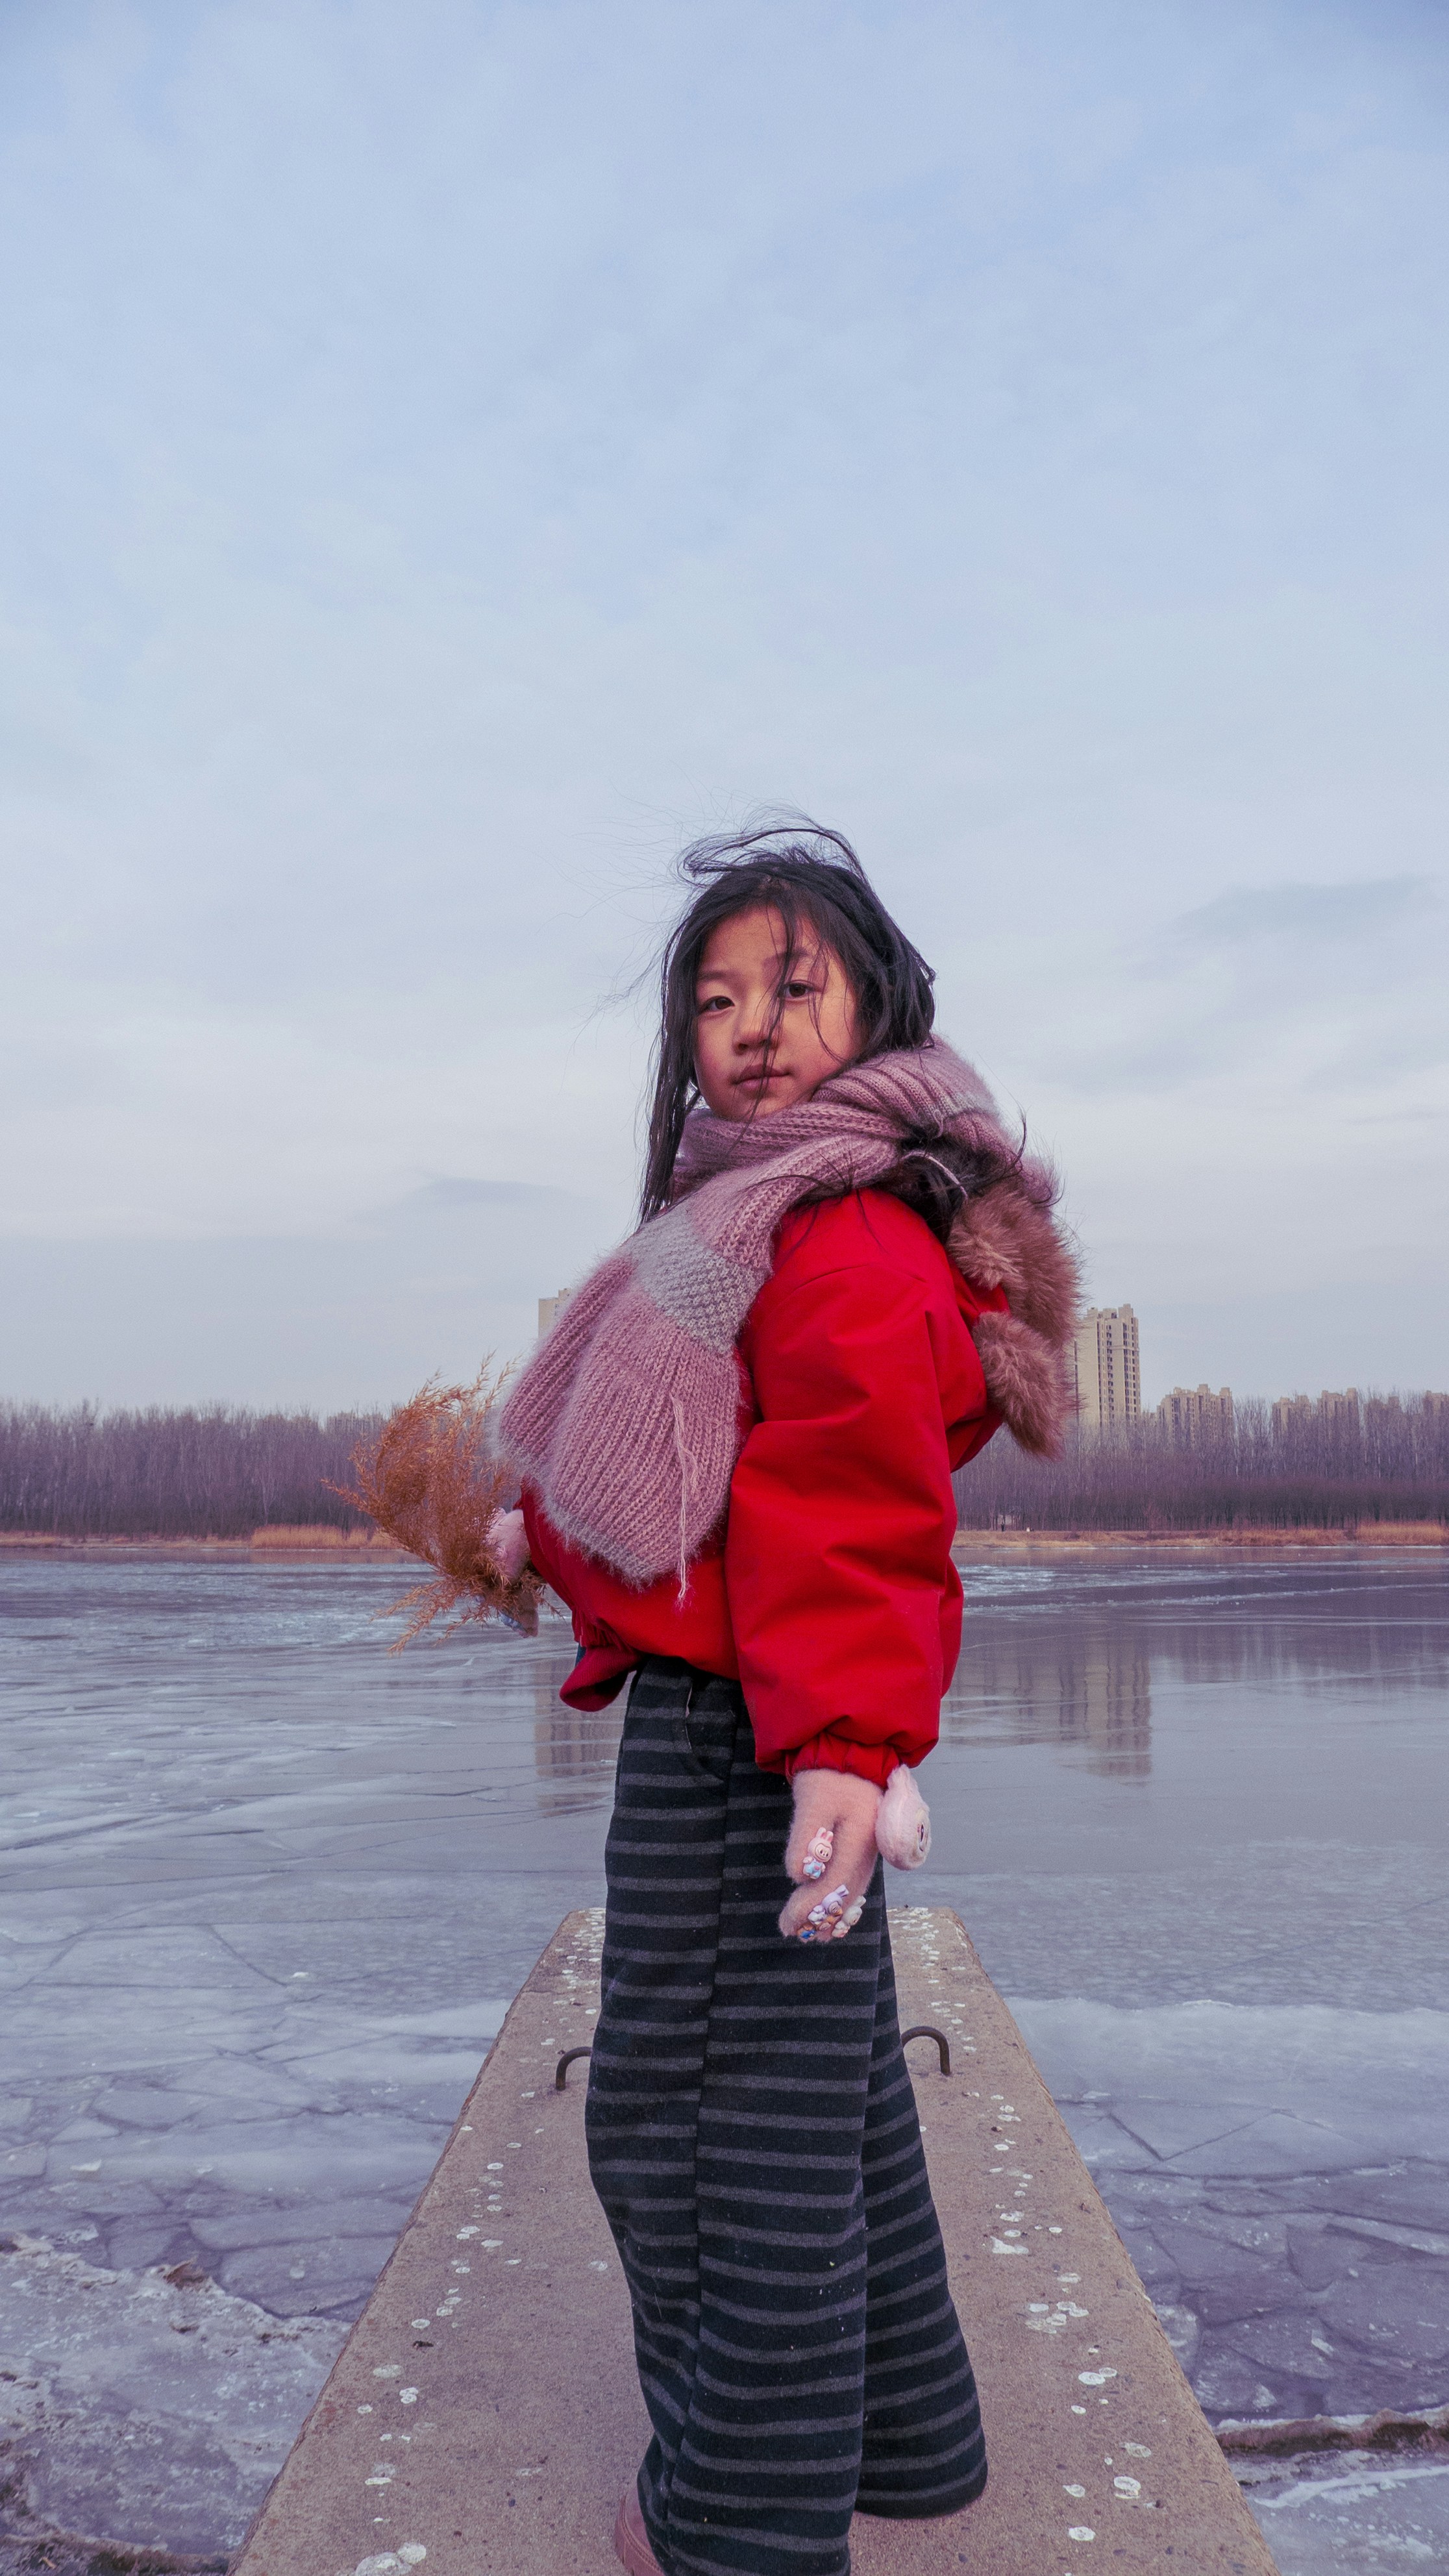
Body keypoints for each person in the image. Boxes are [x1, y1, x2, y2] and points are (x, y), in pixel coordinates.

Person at [493, 822, 1078, 2576]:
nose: (750, 1024)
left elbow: (845, 1501)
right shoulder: (786, 1215)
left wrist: (838, 1745)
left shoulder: (822, 1228)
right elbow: (731, 1493)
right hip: (774, 1728)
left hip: (749, 1749)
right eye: (716, 998)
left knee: (690, 2136)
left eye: (793, 987)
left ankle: (737, 2524)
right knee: (818, 2109)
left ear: (876, 1004)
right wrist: (559, 1536)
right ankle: (902, 2437)